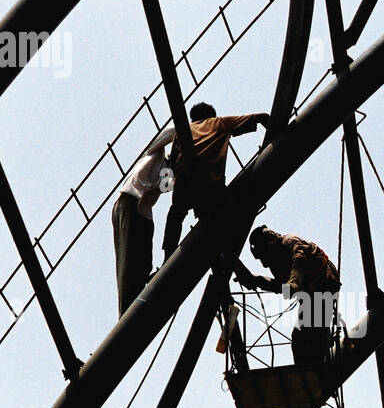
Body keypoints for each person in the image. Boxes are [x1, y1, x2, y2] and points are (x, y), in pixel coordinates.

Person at [160, 103, 270, 259]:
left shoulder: (180, 134)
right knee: (224, 219)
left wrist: (167, 186)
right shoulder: (219, 123)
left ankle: (167, 256)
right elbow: (261, 117)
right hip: (211, 186)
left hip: (184, 187)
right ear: (211, 115)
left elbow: (169, 171)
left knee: (175, 214)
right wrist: (274, 137)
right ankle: (224, 258)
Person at [233, 225, 341, 368]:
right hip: (309, 296)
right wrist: (256, 280)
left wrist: (294, 283)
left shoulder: (291, 242)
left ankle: (317, 370)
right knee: (298, 338)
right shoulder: (276, 263)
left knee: (312, 335)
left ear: (270, 243)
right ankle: (305, 373)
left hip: (324, 287)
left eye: (263, 255)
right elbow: (281, 287)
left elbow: (299, 259)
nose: (264, 263)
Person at [111, 125, 175, 316]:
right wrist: (187, 131)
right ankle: (127, 312)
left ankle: (135, 308)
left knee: (141, 263)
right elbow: (168, 134)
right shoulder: (157, 154)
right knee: (129, 263)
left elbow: (163, 188)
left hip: (142, 213)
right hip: (130, 202)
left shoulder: (170, 174)